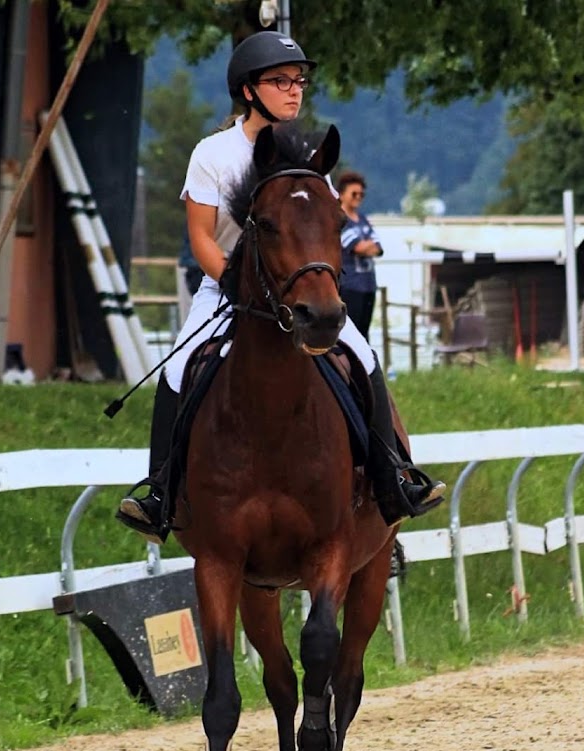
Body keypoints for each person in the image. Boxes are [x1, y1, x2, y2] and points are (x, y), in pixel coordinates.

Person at [117, 30, 445, 543]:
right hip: (225, 288)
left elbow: (325, 230)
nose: (295, 90)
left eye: (300, 81)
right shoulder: (213, 153)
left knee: (363, 357)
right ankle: (160, 494)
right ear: (249, 90)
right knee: (178, 367)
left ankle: (393, 478)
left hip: (296, 292)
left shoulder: (309, 156)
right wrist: (232, 284)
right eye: (281, 81)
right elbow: (202, 237)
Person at [337, 171, 381, 339]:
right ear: (341, 194)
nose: (358, 197)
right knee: (350, 334)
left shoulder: (362, 218)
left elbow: (378, 248)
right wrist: (366, 246)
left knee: (364, 333)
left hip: (368, 284)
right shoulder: (340, 219)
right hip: (350, 286)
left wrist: (366, 247)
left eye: (361, 194)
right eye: (354, 193)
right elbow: (360, 247)